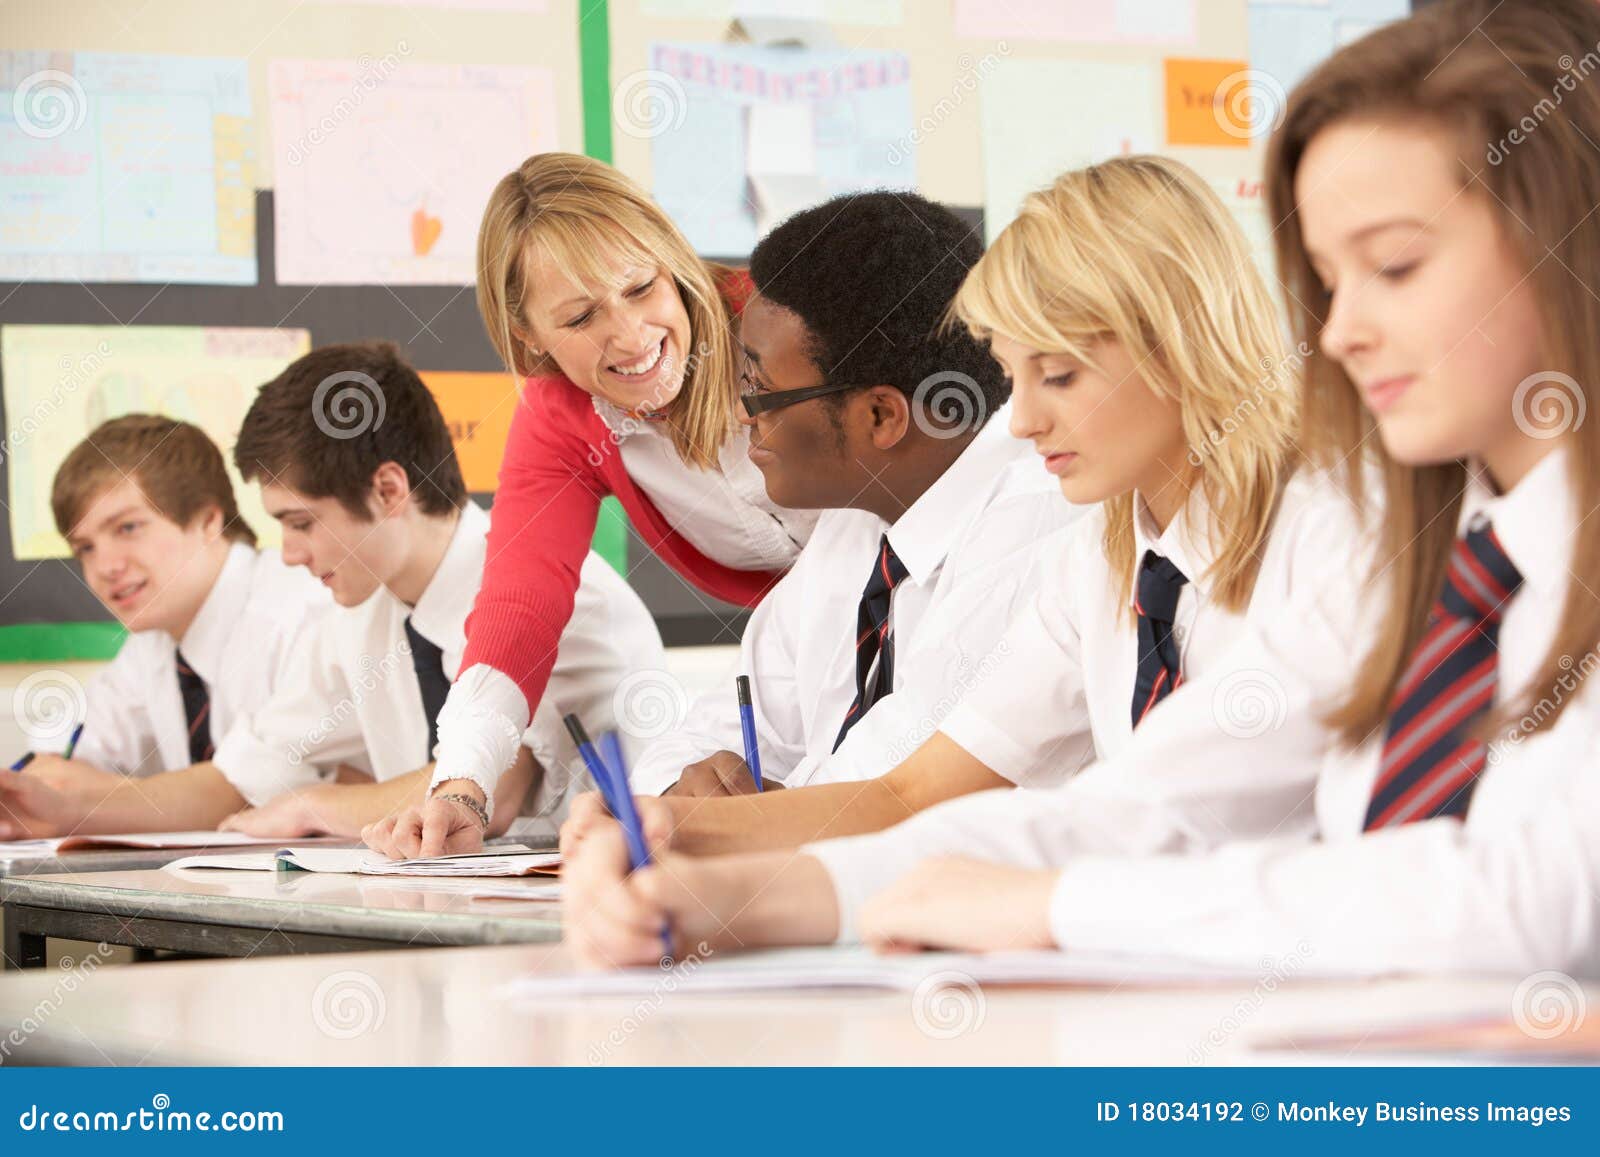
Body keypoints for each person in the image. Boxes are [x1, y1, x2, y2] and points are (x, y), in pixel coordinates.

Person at [563, 0, 1600, 977]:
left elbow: (1513, 899)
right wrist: (741, 899)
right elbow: (1133, 808)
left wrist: (1051, 909)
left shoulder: (1351, 531)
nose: (1339, 332)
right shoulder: (1440, 558)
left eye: (1398, 266)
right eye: (1327, 283)